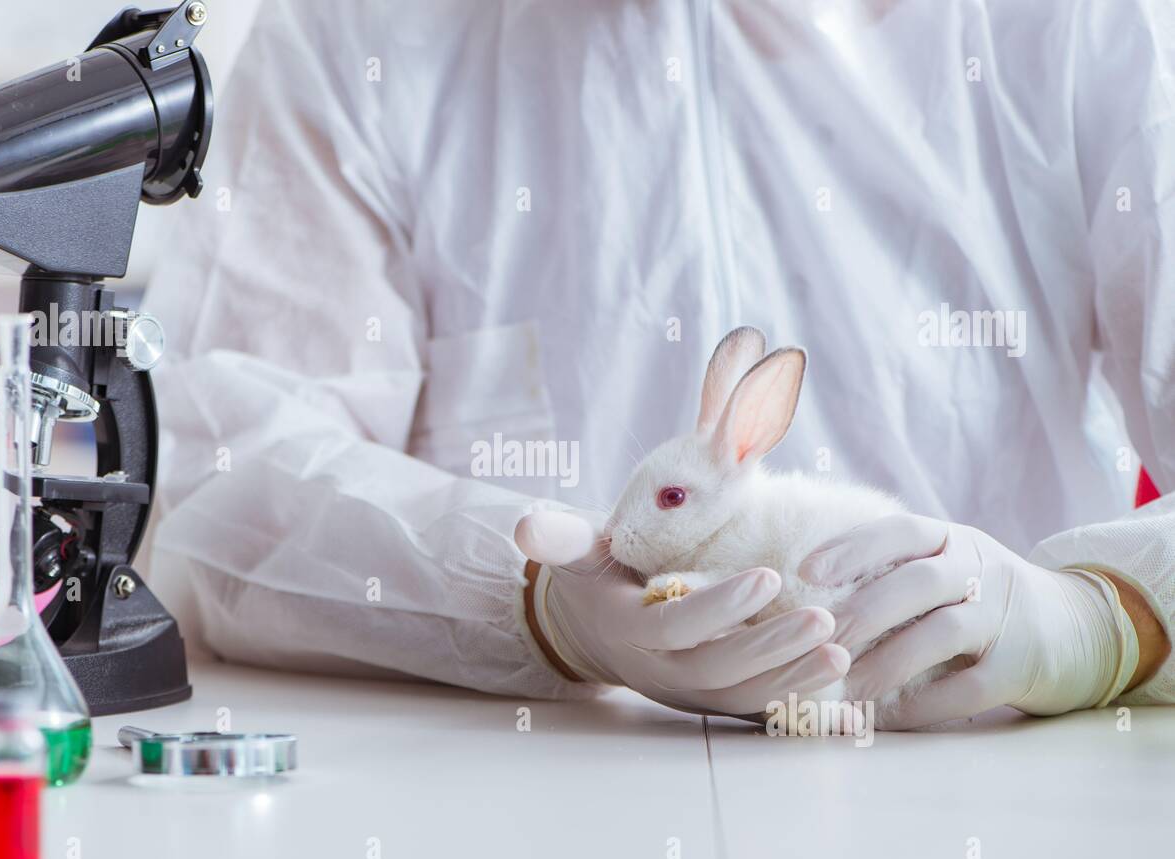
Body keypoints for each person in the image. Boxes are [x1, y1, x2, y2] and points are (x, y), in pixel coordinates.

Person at [143, 0, 1172, 728]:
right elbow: (212, 486)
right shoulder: (355, 35)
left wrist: (1109, 621)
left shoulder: (1084, 25)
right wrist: (530, 608)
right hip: (510, 825)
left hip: (998, 806)